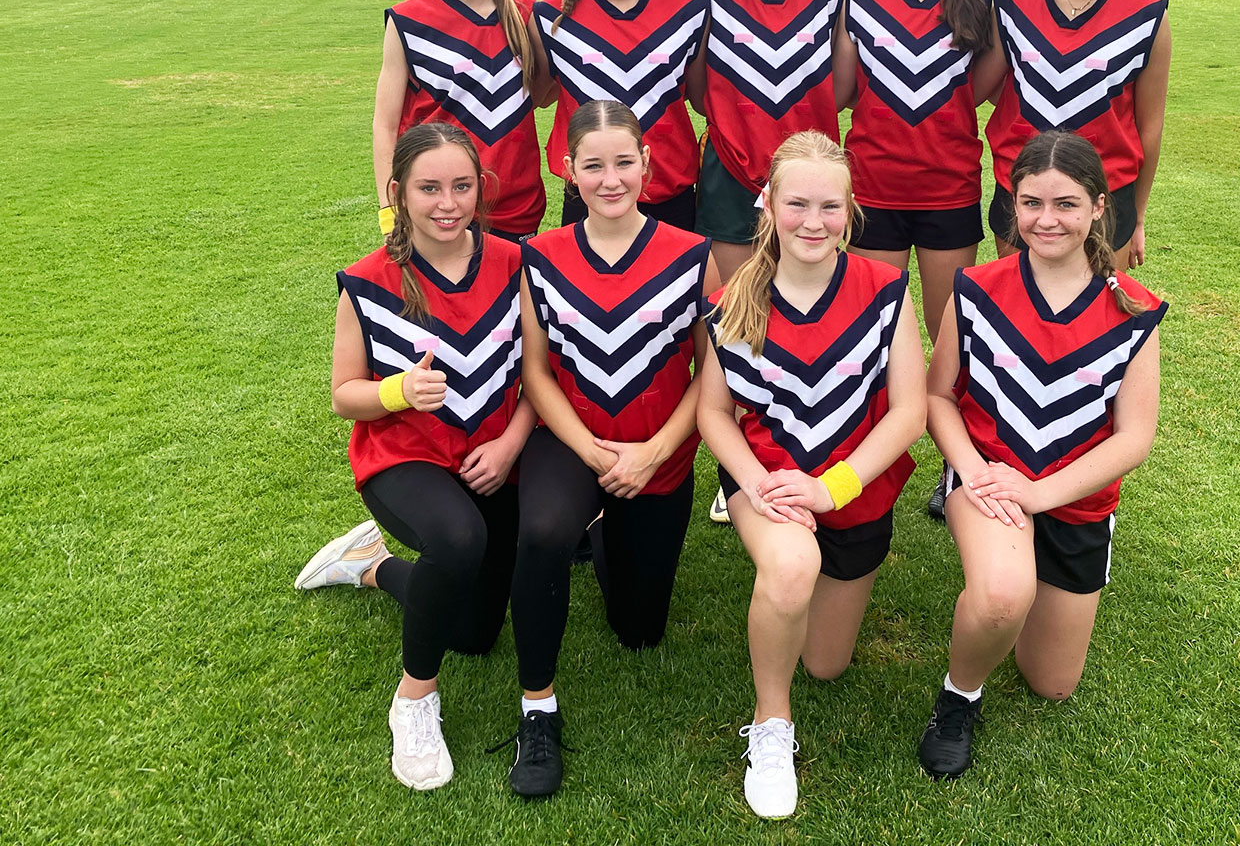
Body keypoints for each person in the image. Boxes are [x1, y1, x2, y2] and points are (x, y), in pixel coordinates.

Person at [916, 130, 1166, 780]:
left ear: (1097, 208)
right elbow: (938, 397)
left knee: (1051, 680)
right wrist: (970, 474)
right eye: (1031, 203)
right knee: (1002, 596)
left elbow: (1133, 438)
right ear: (1012, 206)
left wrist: (1038, 494)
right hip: (988, 479)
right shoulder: (975, 289)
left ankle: (1022, 585)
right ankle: (959, 695)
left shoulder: (1134, 312)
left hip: (1073, 503)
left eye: (1065, 203)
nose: (1046, 219)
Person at [295, 122, 534, 791]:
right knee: (460, 541)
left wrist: (512, 441)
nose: (447, 202)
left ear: (481, 189)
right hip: (404, 456)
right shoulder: (369, 282)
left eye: (462, 185)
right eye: (429, 188)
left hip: (492, 454)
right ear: (399, 193)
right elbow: (345, 395)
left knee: (477, 633)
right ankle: (414, 699)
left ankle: (371, 568)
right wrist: (399, 390)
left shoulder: (517, 263)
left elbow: (544, 374)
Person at [697, 131, 926, 818]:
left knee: (826, 662)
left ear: (851, 211)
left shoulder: (885, 290)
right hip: (769, 481)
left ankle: (807, 583)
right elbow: (713, 413)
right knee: (792, 568)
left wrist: (834, 487)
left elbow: (910, 411)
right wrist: (758, 484)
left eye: (831, 206)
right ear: (766, 204)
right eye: (796, 203)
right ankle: (772, 723)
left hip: (852, 493)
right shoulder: (738, 295)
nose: (813, 222)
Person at [506, 100, 718, 798]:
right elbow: (535, 370)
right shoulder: (539, 255)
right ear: (565, 169)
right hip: (572, 446)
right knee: (539, 531)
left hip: (659, 454)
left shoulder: (693, 256)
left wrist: (653, 451)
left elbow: (712, 373)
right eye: (592, 165)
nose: (609, 178)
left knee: (638, 631)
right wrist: (596, 455)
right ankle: (539, 708)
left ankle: (600, 532)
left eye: (623, 162)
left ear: (649, 165)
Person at [694, 0, 845, 525]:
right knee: (740, 322)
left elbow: (839, 89)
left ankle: (799, 450)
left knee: (803, 315)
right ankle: (738, 473)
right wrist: (741, 143)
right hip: (730, 174)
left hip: (807, 182)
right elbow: (700, 86)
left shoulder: (830, 0)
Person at [833, 0, 1005, 343]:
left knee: (948, 332)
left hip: (949, 189)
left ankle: (946, 418)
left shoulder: (979, 3)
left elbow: (976, 94)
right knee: (876, 333)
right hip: (872, 190)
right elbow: (844, 93)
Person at [986, 0, 1172, 273]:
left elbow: (1149, 127)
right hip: (1022, 191)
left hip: (1106, 198)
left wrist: (1138, 215)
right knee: (1021, 320)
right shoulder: (1010, 2)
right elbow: (983, 85)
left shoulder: (1147, 13)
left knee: (1098, 326)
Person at [531, 0, 708, 233]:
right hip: (587, 198)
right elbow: (541, 95)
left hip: (671, 200)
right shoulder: (550, 17)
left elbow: (702, 100)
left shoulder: (690, 9)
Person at [374, 0, 544, 242]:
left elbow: (546, 91)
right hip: (439, 208)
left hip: (517, 209)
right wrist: (390, 210)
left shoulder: (524, 8)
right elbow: (386, 126)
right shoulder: (407, 20)